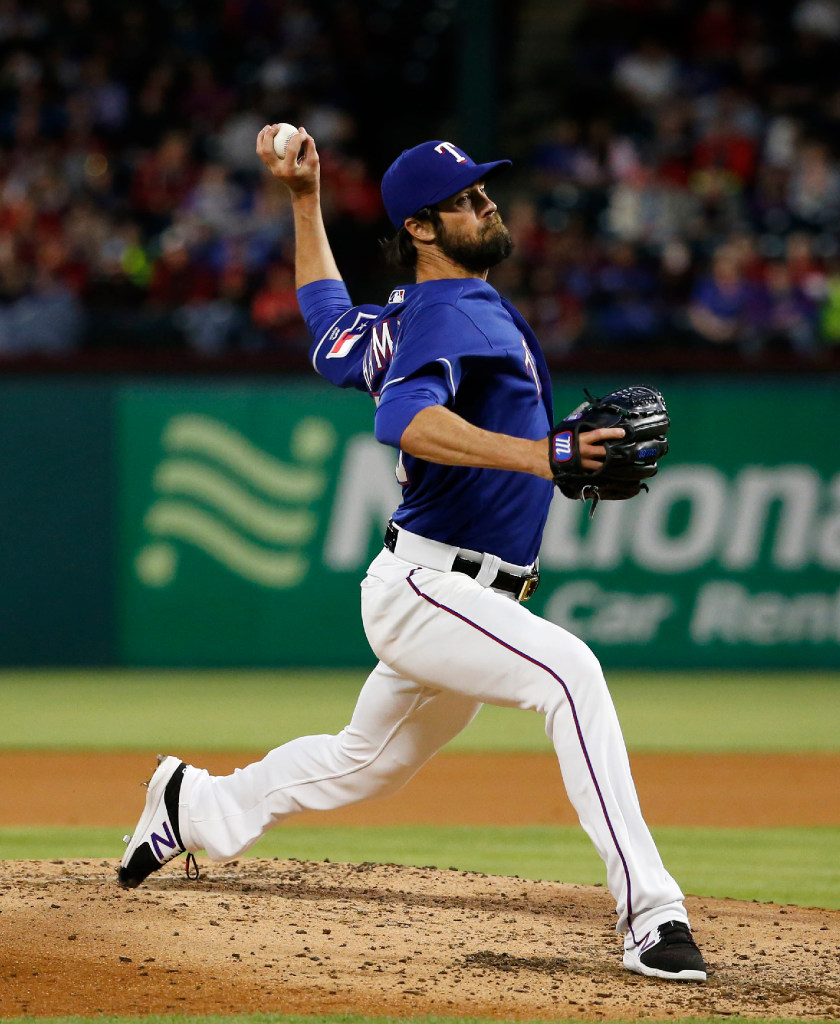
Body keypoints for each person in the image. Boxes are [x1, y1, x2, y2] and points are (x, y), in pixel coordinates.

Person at [117, 127, 707, 984]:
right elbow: (401, 420)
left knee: (367, 762)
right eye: (467, 198)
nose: (487, 203)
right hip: (429, 586)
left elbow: (325, 322)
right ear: (423, 228)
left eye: (483, 191)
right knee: (570, 675)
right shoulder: (445, 309)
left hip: (457, 593)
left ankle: (192, 802)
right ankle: (651, 913)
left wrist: (304, 202)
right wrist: (542, 456)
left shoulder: (408, 314)